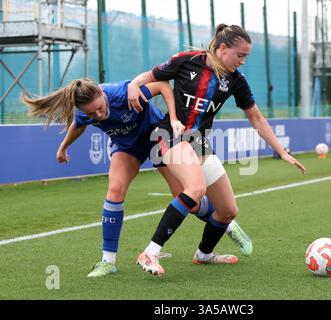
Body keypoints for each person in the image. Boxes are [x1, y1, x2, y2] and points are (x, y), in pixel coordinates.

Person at [21, 78, 253, 278]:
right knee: (115, 190)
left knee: (186, 199)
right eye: (92, 113)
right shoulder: (85, 112)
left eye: (100, 109)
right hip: (127, 147)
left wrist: (172, 118)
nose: (98, 115)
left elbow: (162, 85)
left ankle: (226, 223)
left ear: (103, 93)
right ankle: (108, 262)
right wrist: (63, 147)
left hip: (156, 138)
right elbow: (78, 125)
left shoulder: (123, 92)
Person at [128, 24, 306, 277]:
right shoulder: (186, 60)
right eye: (240, 55)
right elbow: (149, 76)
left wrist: (282, 151)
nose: (243, 61)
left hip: (199, 143)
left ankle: (204, 254)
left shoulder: (236, 80)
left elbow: (256, 118)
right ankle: (151, 251)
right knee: (196, 190)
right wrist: (133, 85)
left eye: (246, 56)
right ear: (223, 48)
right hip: (168, 135)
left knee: (227, 211)